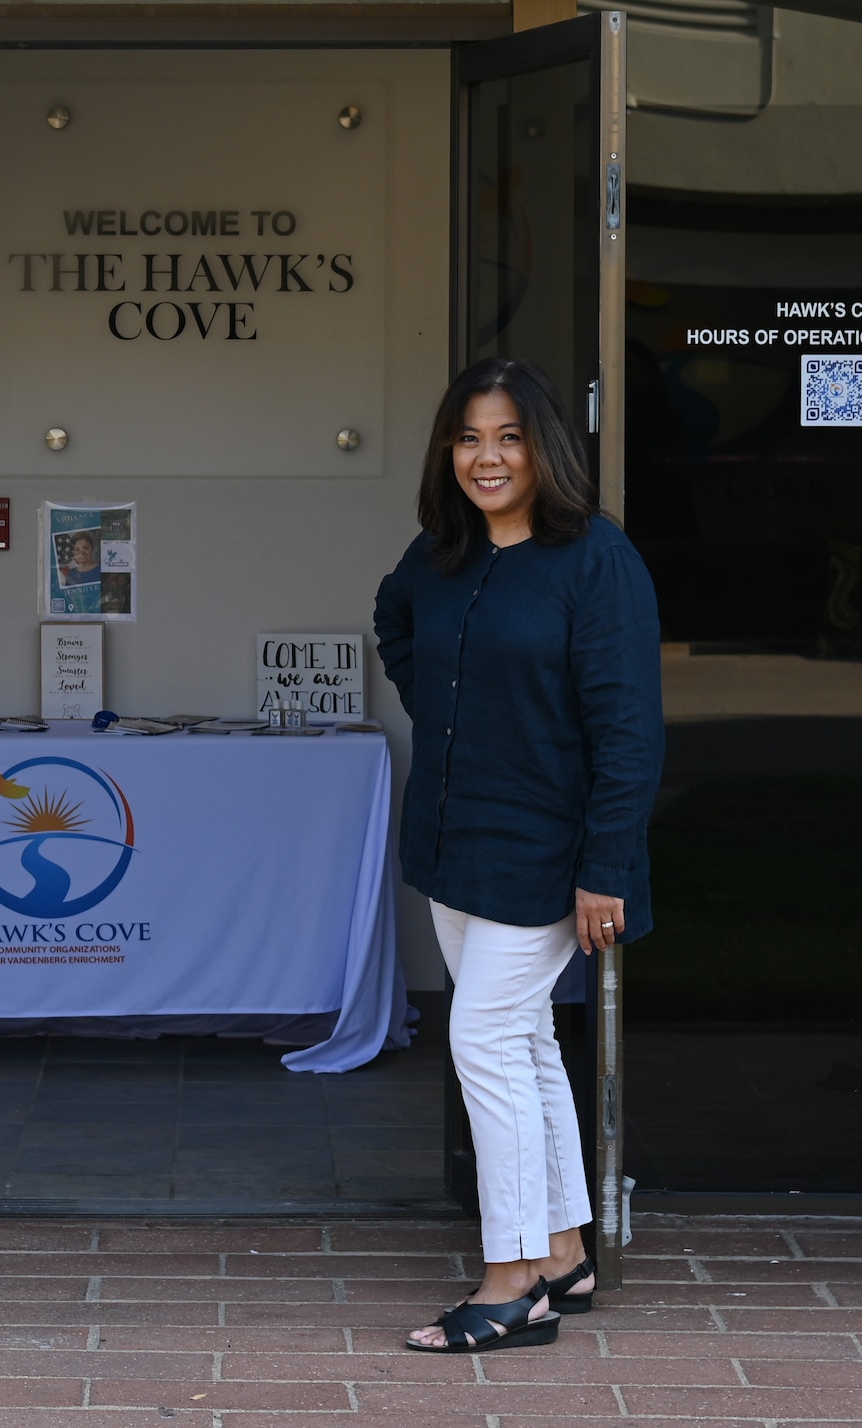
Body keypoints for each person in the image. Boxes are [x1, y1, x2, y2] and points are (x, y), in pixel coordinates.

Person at [372, 357, 663, 1353]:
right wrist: (445, 711)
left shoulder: (594, 560)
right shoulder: (438, 554)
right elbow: (393, 625)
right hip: (454, 843)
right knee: (525, 1042)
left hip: (549, 853)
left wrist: (607, 866)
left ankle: (509, 1286)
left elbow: (628, 731)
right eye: (466, 438)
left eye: (505, 437)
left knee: (483, 1045)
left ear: (545, 447)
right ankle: (562, 1249)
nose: (485, 458)